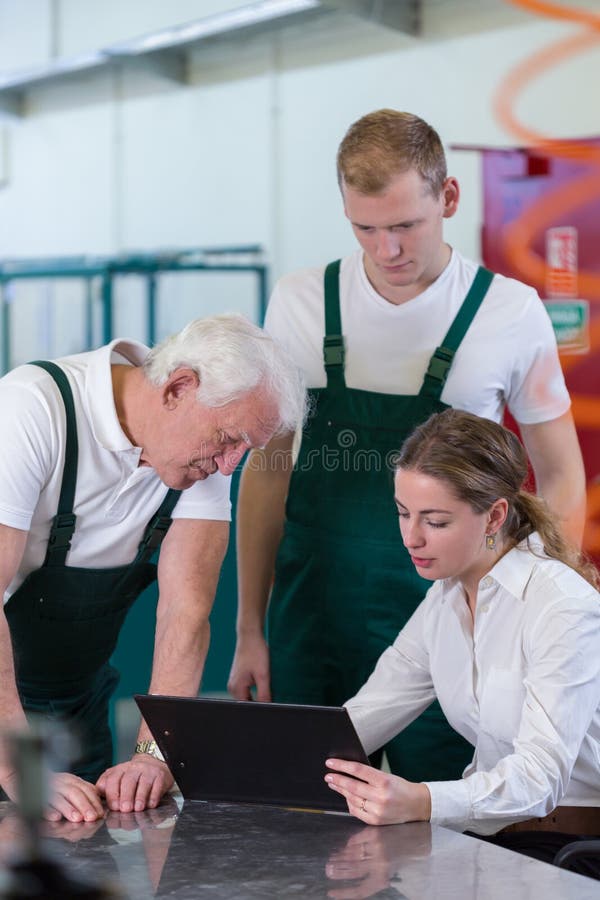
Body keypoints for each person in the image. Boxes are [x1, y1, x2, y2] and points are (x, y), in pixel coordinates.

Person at [228, 109, 587, 783]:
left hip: (448, 618)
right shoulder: (301, 302)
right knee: (302, 806)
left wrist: (526, 613)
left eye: (404, 226)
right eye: (365, 228)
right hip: (312, 615)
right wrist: (250, 626)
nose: (386, 250)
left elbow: (562, 474)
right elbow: (269, 474)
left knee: (446, 822)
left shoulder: (508, 313)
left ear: (448, 198)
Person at [0, 313, 306, 824]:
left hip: (75, 698)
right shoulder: (33, 408)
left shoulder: (201, 451)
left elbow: (186, 614)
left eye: (244, 450)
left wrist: (152, 754)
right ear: (178, 388)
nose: (230, 466)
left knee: (82, 861)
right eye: (229, 440)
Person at [324, 408, 600, 876]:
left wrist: (423, 799)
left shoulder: (561, 606)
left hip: (572, 849)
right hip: (496, 840)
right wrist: (217, 761)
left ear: (494, 516)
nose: (411, 538)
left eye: (435, 521)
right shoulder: (443, 599)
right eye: (403, 513)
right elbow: (362, 719)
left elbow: (539, 778)